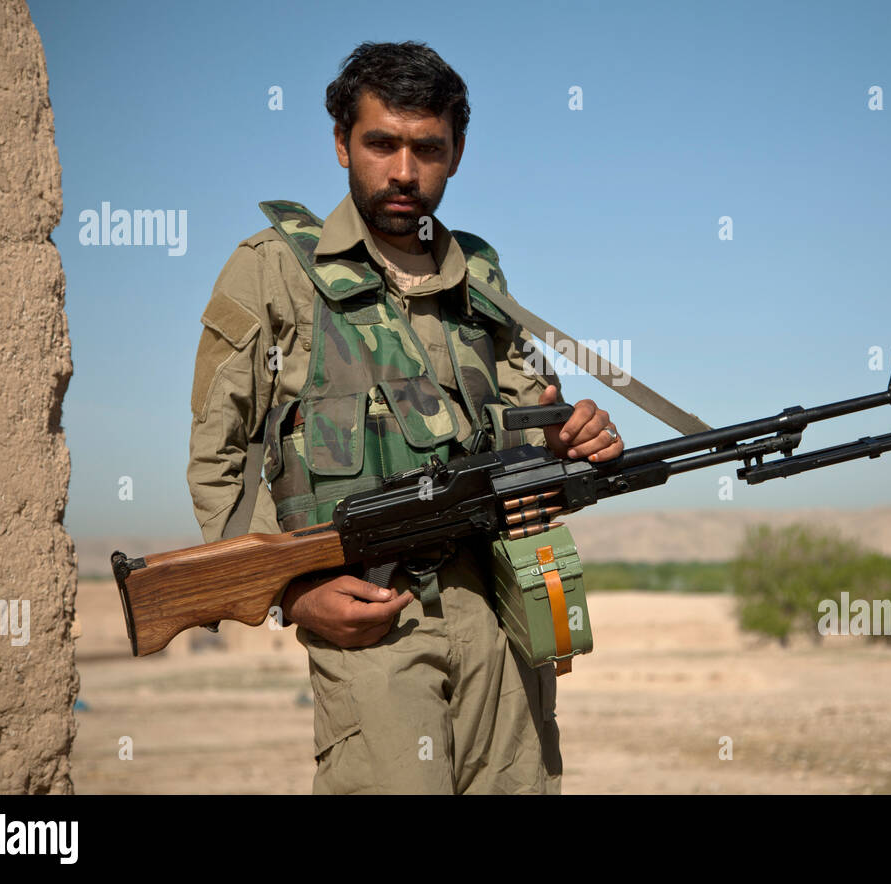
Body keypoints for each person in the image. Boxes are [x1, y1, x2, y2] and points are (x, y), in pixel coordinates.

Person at [186, 41, 623, 793]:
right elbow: (218, 456)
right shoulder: (272, 271)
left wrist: (573, 435)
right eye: (380, 143)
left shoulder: (480, 278)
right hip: (372, 617)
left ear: (456, 152)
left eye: (427, 149)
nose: (402, 171)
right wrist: (291, 595)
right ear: (339, 143)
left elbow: (531, 418)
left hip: (499, 607)